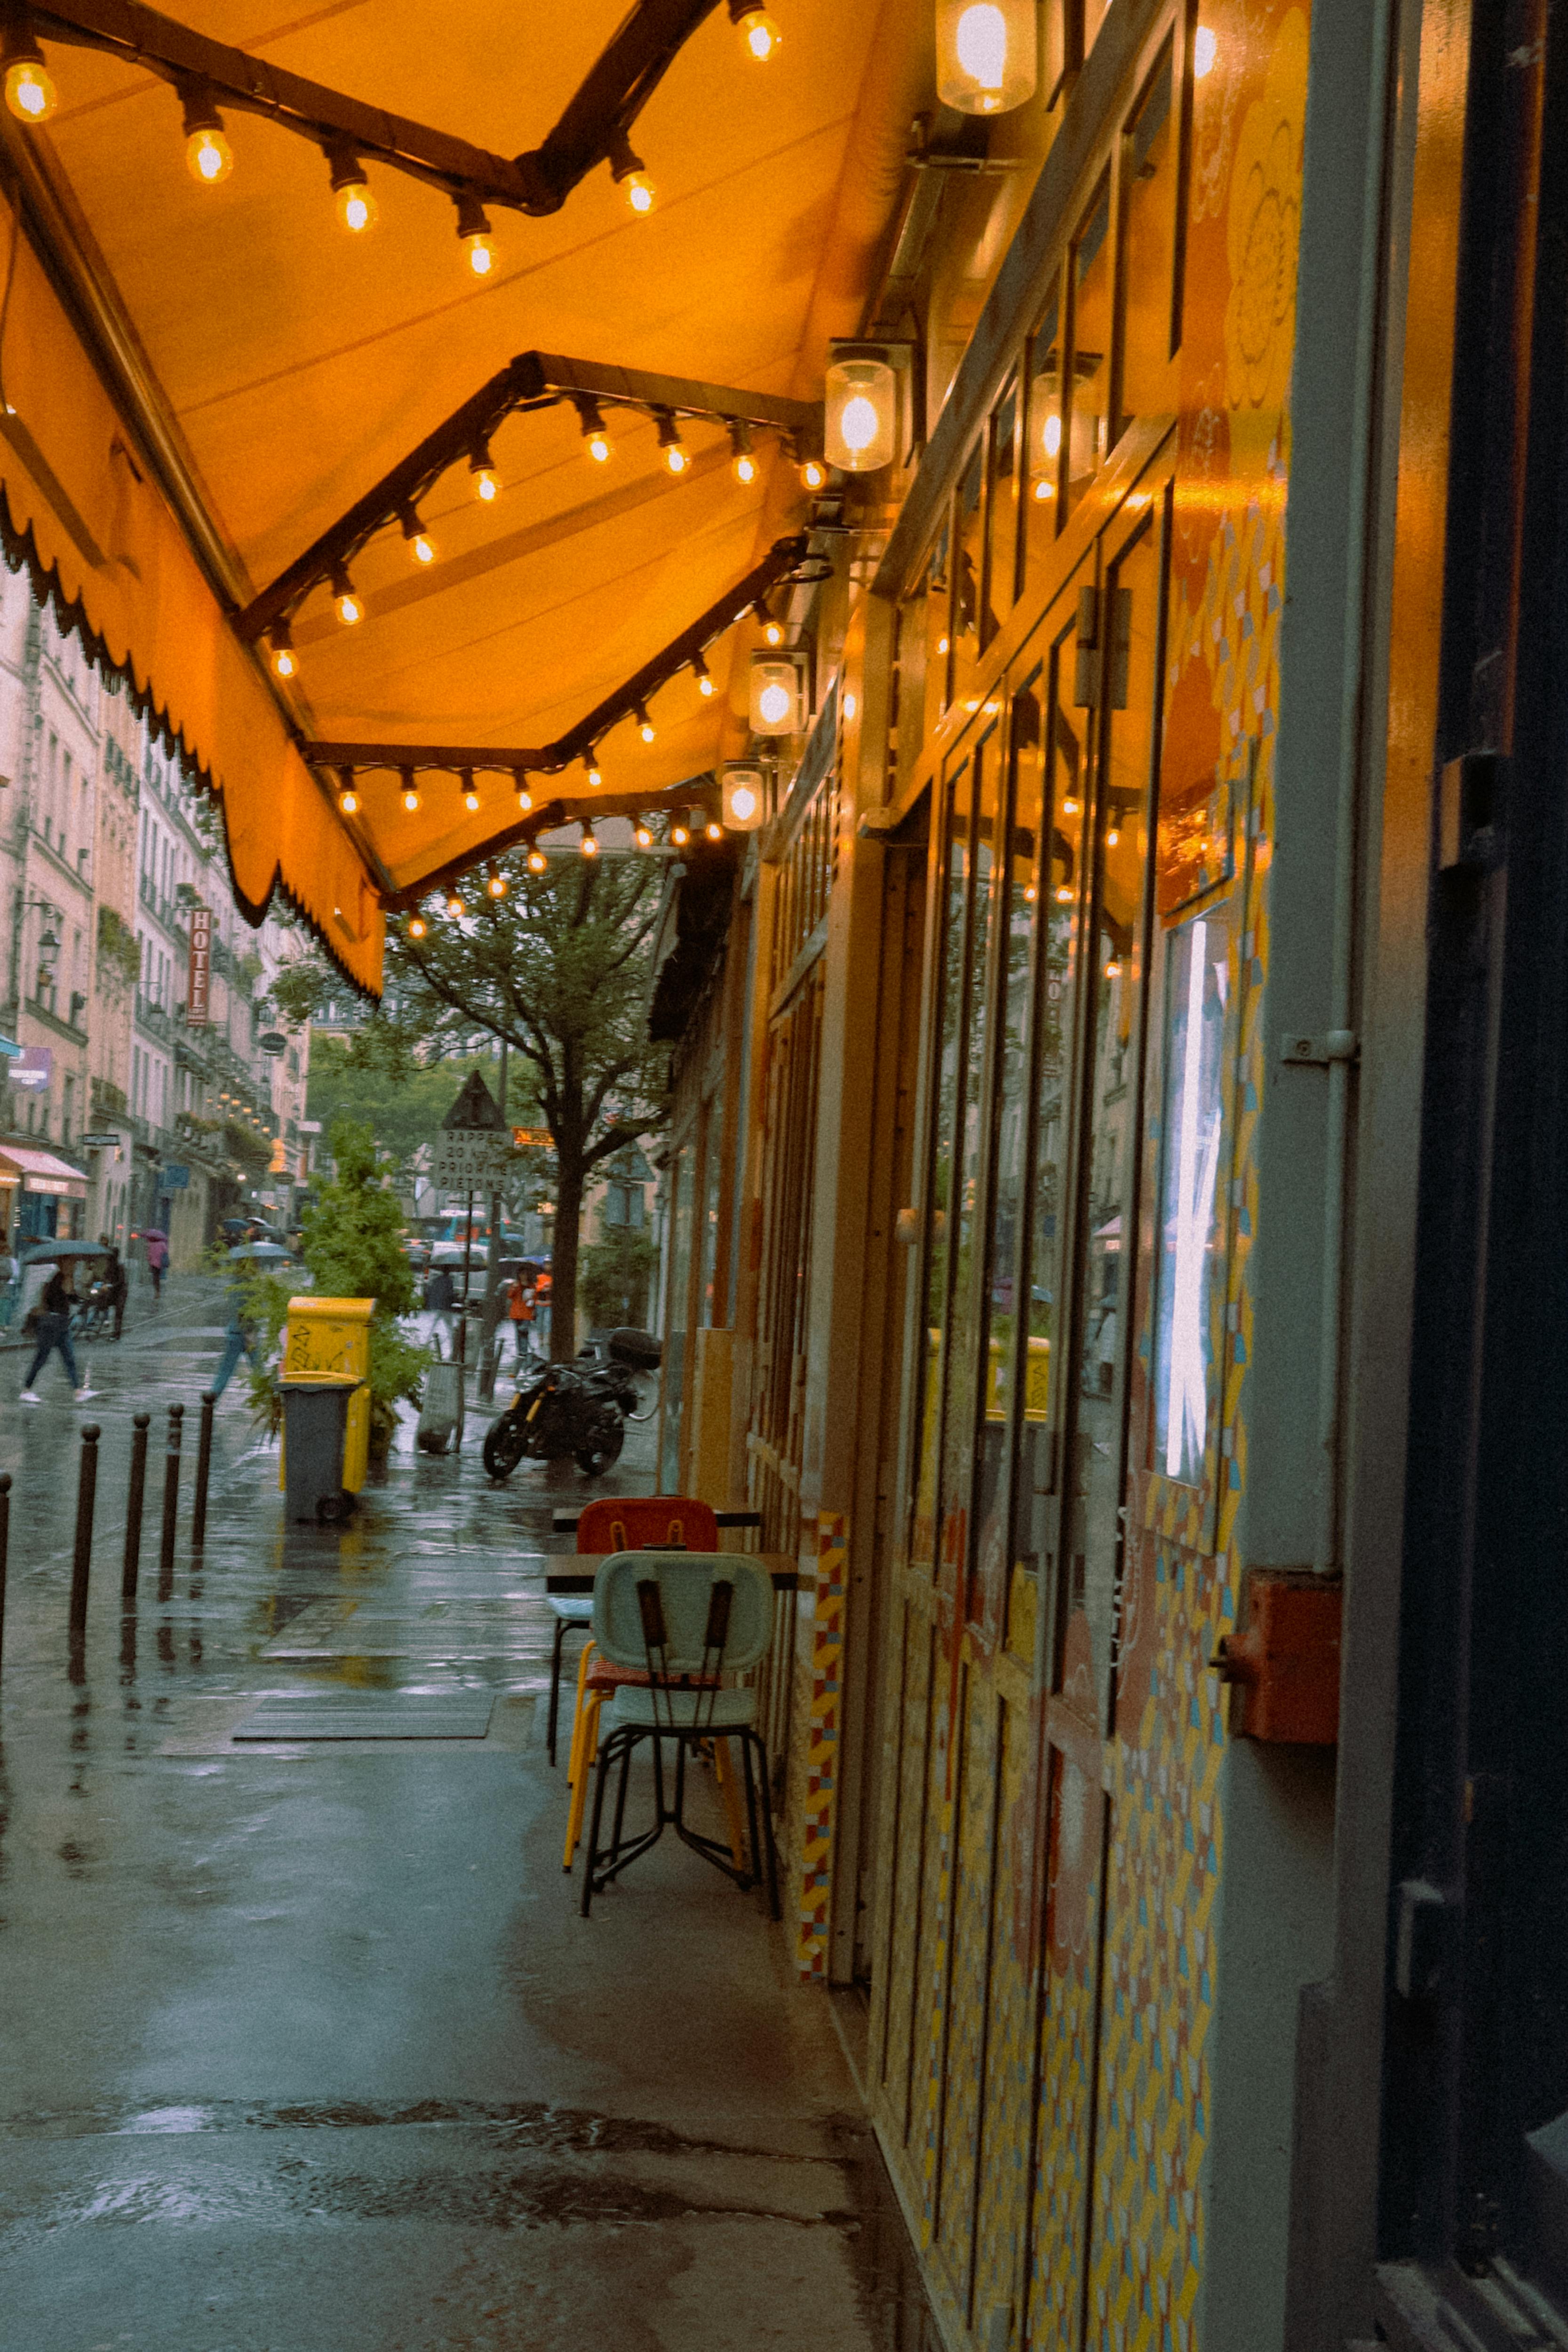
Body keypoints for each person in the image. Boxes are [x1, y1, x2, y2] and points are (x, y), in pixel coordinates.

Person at [20, 1264, 96, 1403]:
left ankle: (77, 1391)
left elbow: (73, 1299)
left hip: (61, 1326)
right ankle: (26, 1390)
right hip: (51, 1326)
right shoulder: (59, 1281)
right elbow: (58, 1302)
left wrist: (82, 1295)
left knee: (69, 1359)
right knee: (41, 1359)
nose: (73, 1269)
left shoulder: (64, 1281)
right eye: (71, 1264)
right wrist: (69, 1289)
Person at [423, 1260, 457, 1357]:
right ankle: (452, 1345)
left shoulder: (438, 1279)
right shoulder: (449, 1281)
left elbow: (431, 1291)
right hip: (445, 1307)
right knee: (449, 1328)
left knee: (434, 1325)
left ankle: (427, 1341)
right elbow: (449, 1294)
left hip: (437, 1306)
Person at [506, 1271, 535, 1367]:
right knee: (518, 1332)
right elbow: (510, 1295)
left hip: (527, 1312)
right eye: (522, 1274)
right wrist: (514, 1287)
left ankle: (524, 1351)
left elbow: (535, 1297)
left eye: (525, 1274)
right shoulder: (516, 1285)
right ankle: (521, 1351)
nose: (523, 1276)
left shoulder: (532, 1285)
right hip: (516, 1312)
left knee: (524, 1330)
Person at [103, 1244, 127, 1340]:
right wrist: (104, 1283)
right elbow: (105, 1275)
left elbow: (121, 1281)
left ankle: (117, 1334)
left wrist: (111, 1285)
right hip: (113, 1291)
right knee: (103, 1303)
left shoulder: (119, 1266)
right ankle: (106, 1321)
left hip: (121, 1292)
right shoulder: (109, 1265)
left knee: (119, 1312)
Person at [145, 1228, 168, 1301]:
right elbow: (166, 1252)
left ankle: (157, 1291)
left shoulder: (151, 1245)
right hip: (160, 1263)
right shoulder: (162, 1244)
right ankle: (158, 1291)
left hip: (153, 1264)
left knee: (155, 1278)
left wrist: (149, 1258)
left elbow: (149, 1255)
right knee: (158, 1277)